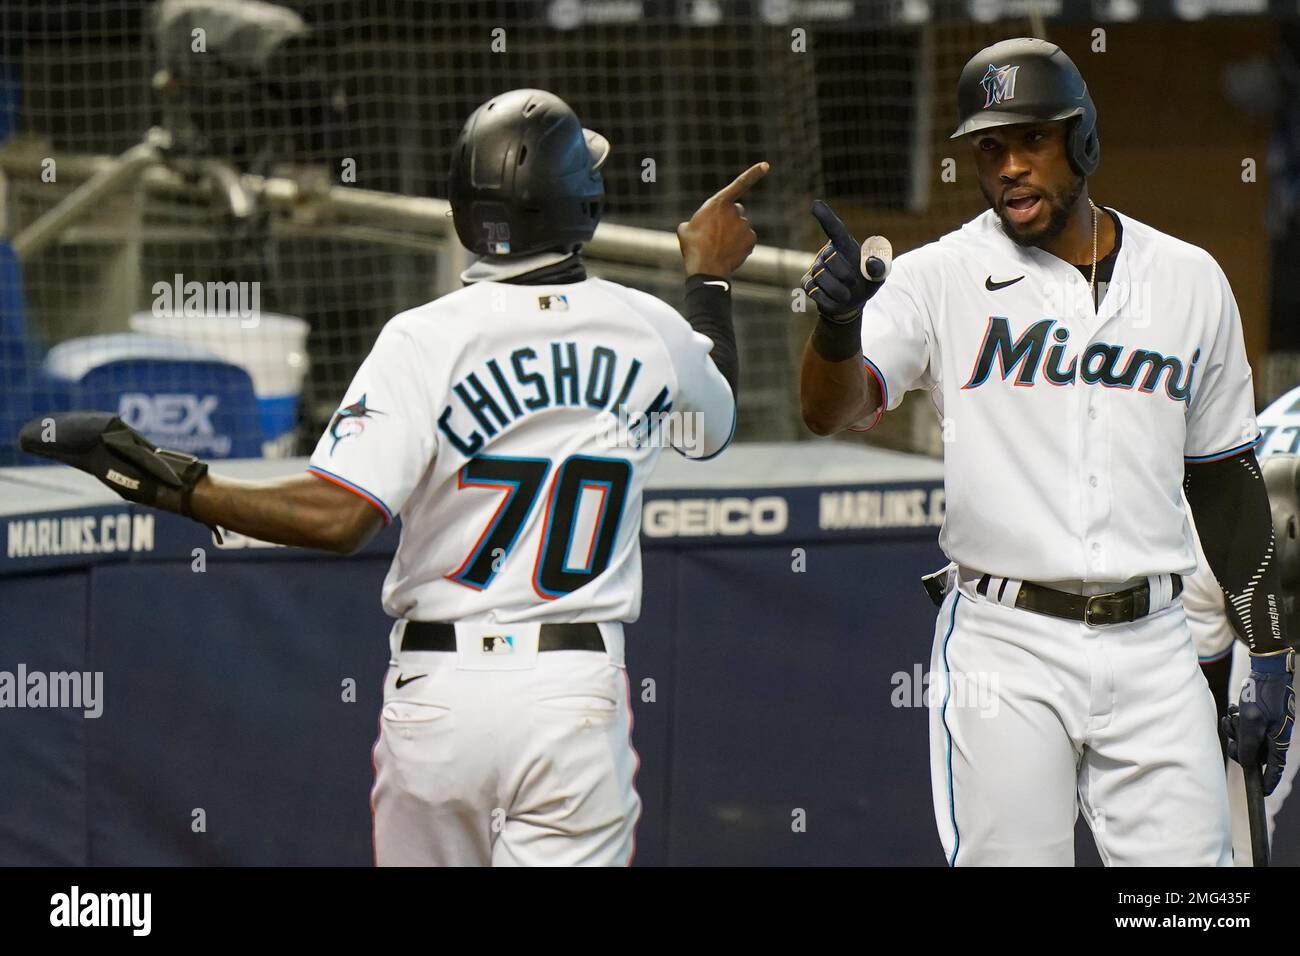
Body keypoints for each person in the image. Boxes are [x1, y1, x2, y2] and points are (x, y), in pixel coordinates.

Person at [20, 88, 768, 866]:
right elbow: (709, 428)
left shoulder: (423, 338)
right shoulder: (651, 327)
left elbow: (339, 519)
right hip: (572, 693)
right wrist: (707, 277)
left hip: (438, 696)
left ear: (463, 210)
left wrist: (174, 486)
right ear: (583, 203)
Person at [798, 38, 1294, 865]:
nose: (1011, 169)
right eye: (991, 149)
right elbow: (833, 409)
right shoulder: (939, 275)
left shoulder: (1189, 279)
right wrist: (837, 327)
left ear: (1084, 141)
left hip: (1156, 643)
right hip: (1006, 644)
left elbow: (1226, 482)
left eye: (1033, 140)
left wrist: (1268, 649)